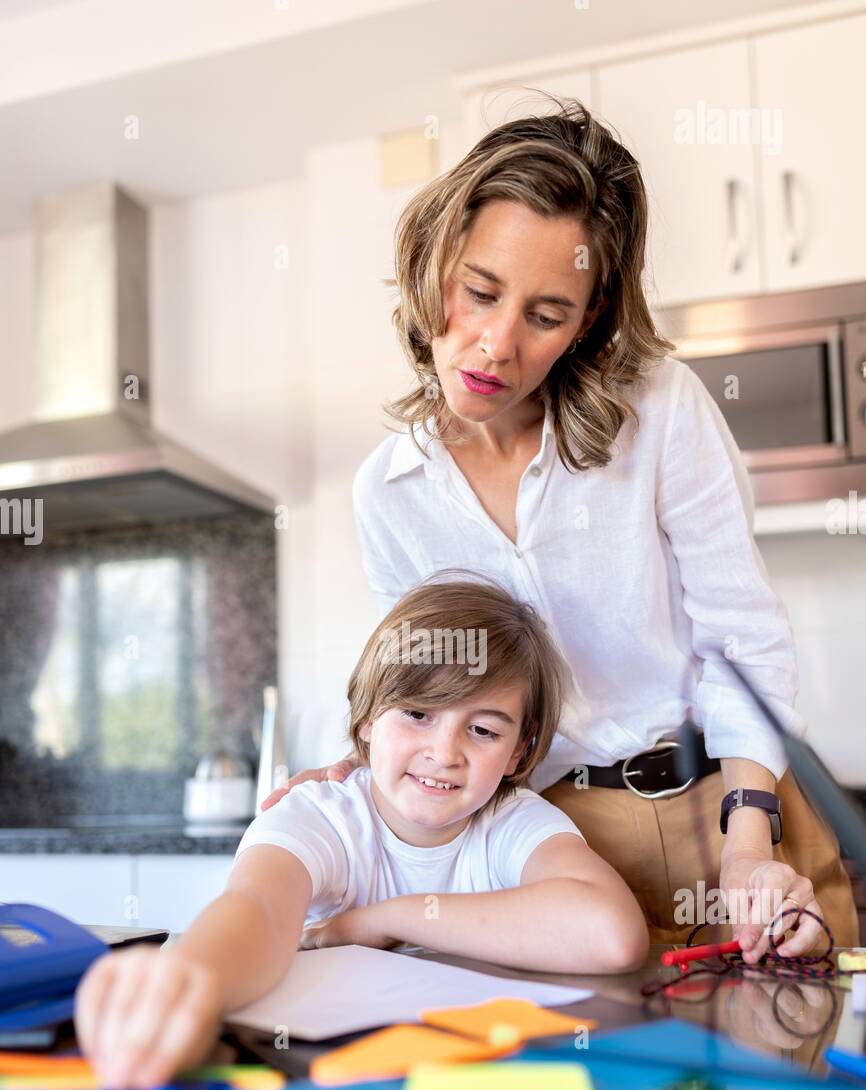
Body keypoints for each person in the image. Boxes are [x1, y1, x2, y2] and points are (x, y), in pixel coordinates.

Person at [266, 95, 858, 957]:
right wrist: (360, 771)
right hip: (556, 846)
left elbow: (740, 641)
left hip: (734, 808)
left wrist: (746, 851)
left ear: (587, 325)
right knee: (593, 1085)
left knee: (783, 1068)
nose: (495, 344)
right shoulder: (389, 495)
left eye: (545, 315)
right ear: (435, 267)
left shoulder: (659, 413)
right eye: (479, 292)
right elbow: (441, 689)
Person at [75, 578, 648, 1090]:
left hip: (462, 1083)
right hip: (321, 1081)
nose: (444, 753)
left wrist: (379, 919)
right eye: (418, 714)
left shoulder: (510, 819)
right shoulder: (319, 816)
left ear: (519, 751)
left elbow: (611, 934)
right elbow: (258, 910)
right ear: (367, 719)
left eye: (481, 730)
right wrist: (189, 980)